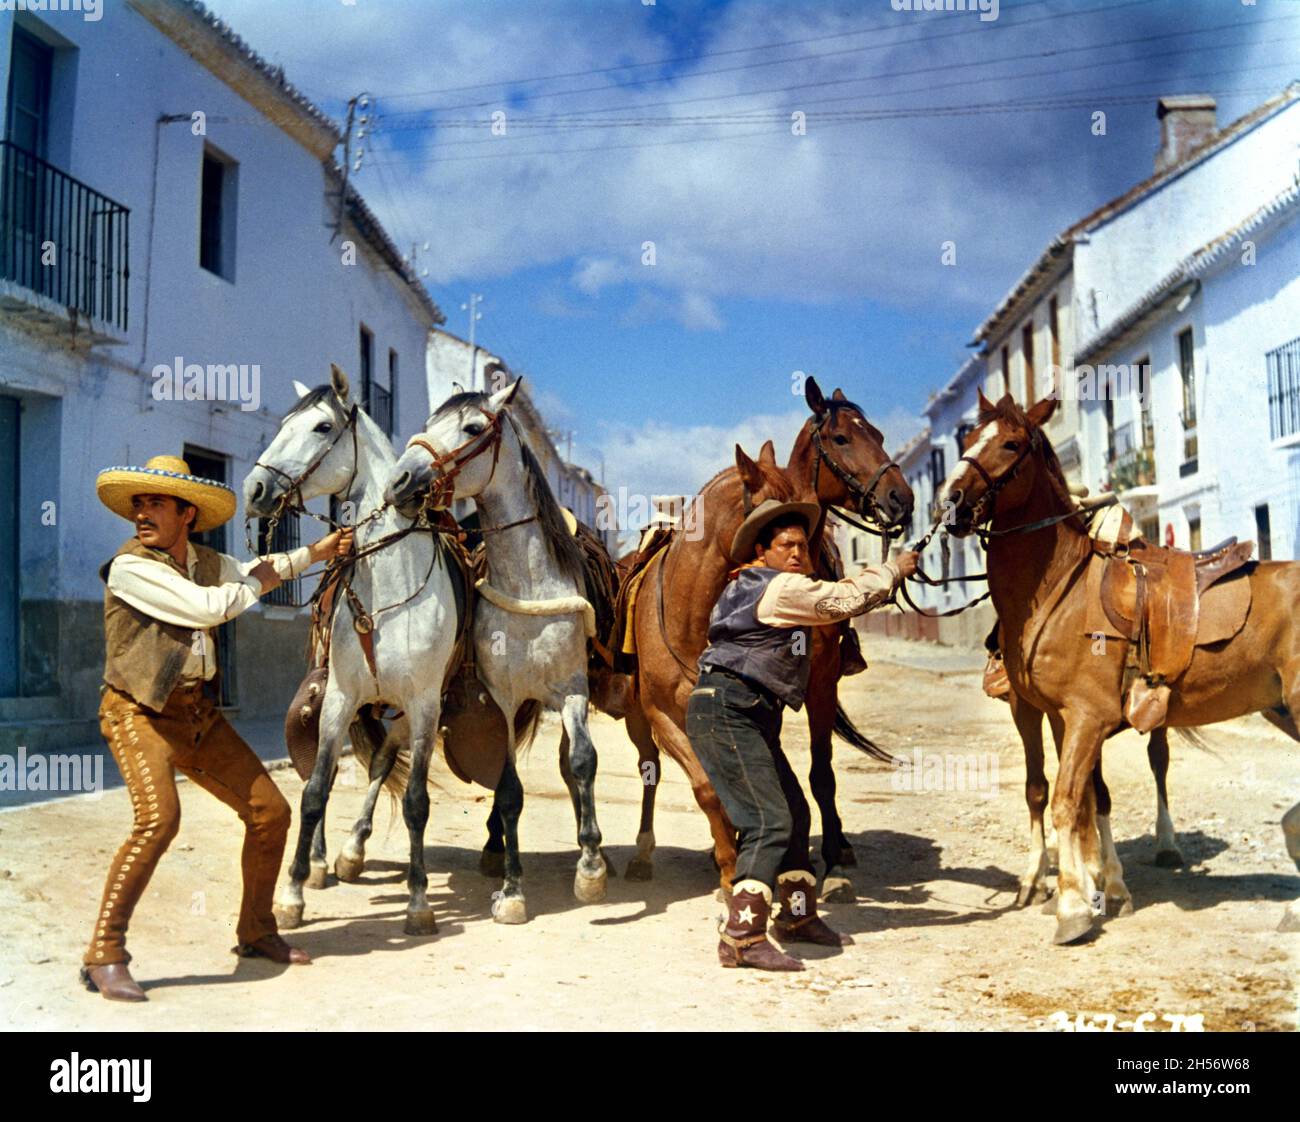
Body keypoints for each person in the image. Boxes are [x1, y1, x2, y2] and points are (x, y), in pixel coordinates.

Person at [82, 454, 352, 1001]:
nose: (141, 514)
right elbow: (208, 608)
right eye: (139, 504)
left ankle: (256, 931)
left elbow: (263, 565)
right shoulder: (132, 567)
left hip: (197, 714)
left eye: (155, 503)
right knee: (158, 822)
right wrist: (259, 581)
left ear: (188, 515)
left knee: (271, 813)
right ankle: (103, 954)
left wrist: (316, 553)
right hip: (138, 712)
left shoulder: (206, 560)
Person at [686, 499, 919, 971]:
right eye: (784, 545)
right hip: (729, 712)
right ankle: (742, 938)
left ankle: (795, 918)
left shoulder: (748, 586)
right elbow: (841, 600)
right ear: (761, 552)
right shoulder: (777, 588)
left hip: (743, 713)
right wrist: (893, 570)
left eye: (801, 546)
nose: (796, 553)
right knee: (769, 821)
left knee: (794, 810)